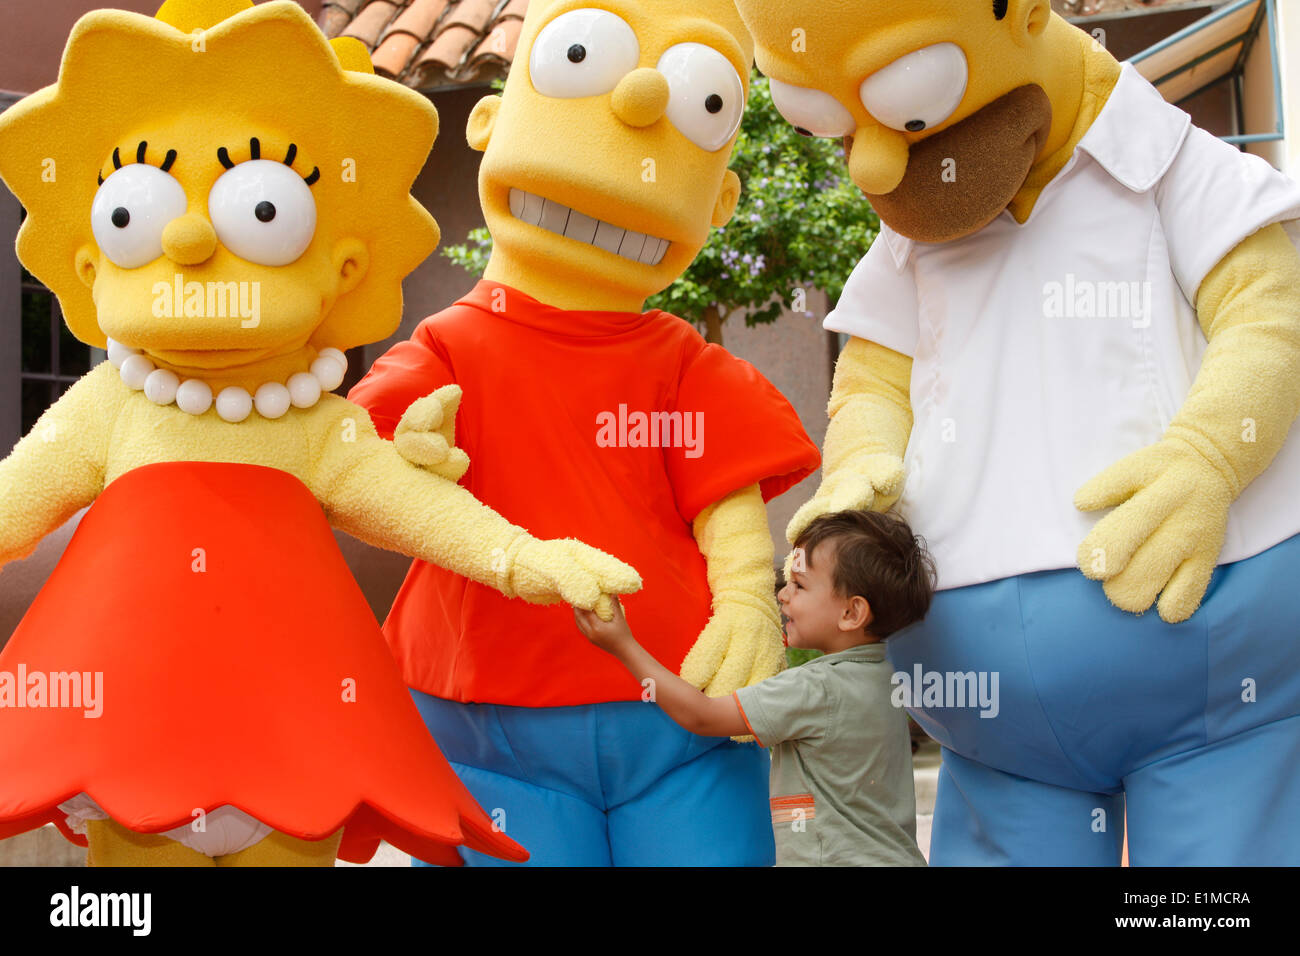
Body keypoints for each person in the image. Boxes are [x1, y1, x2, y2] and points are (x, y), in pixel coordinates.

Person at [575, 510, 935, 866]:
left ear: (851, 614)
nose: (783, 595)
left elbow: (703, 716)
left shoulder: (816, 687)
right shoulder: (886, 677)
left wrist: (624, 647)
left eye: (800, 585)